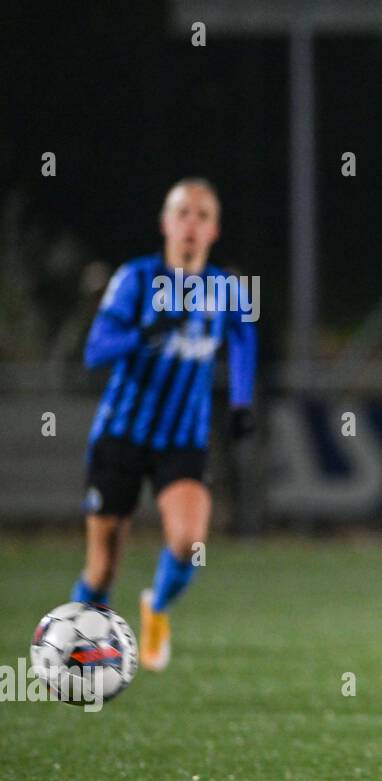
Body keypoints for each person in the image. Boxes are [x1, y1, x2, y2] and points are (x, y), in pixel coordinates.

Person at [75, 178, 257, 671]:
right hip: (121, 434)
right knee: (102, 568)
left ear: (214, 229)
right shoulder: (135, 280)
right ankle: (79, 654)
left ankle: (155, 606)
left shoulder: (224, 289)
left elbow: (244, 336)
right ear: (165, 223)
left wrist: (241, 402)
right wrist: (141, 335)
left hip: (183, 438)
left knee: (190, 540)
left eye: (202, 216)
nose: (191, 224)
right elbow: (95, 351)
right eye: (182, 213)